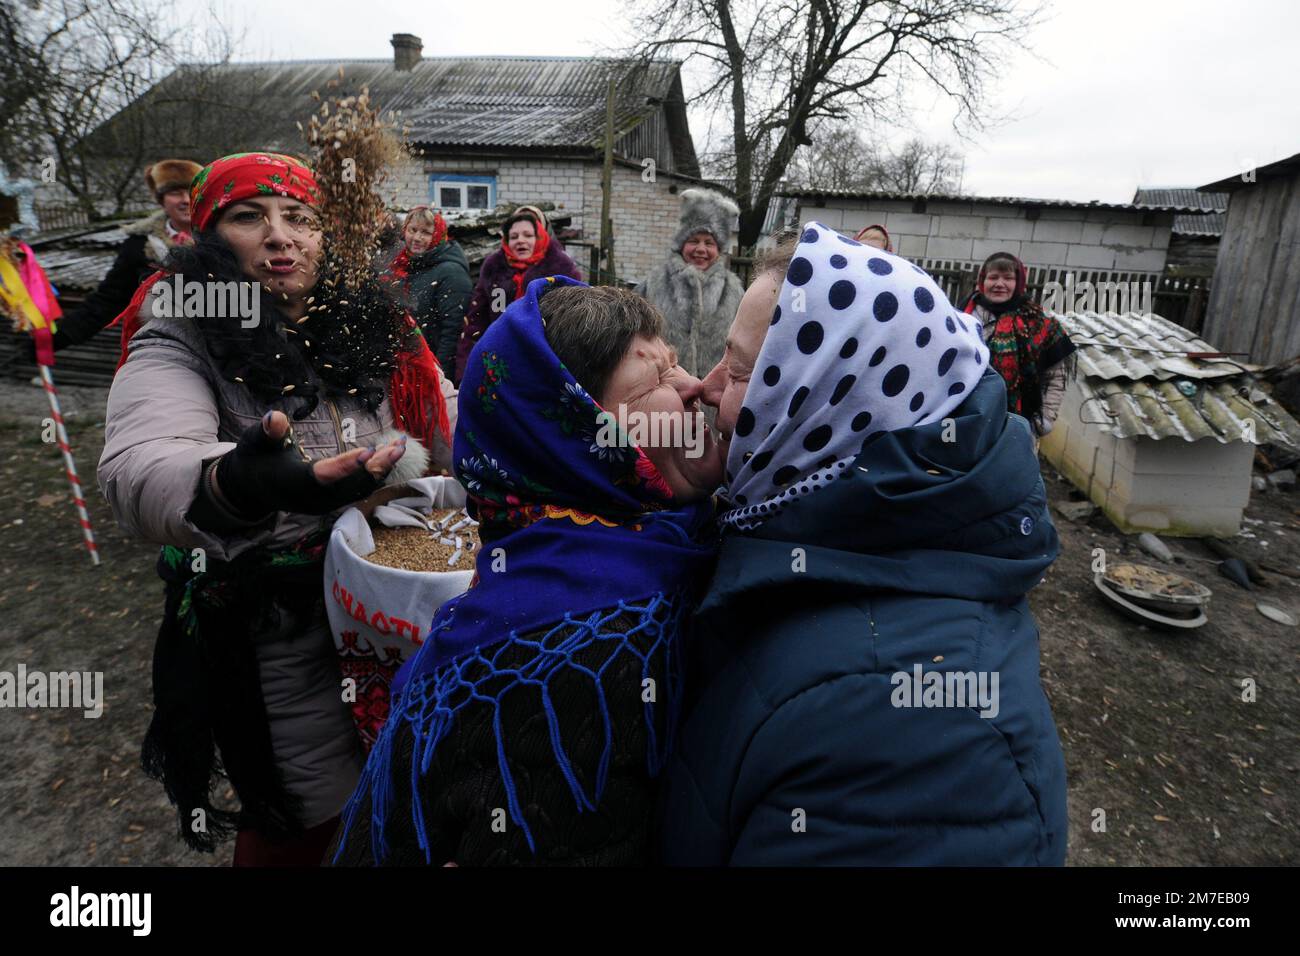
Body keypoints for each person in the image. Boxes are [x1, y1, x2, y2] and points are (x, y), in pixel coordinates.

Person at [657, 223, 1068, 866]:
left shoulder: (906, 723)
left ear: (824, 405)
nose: (707, 389)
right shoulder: (821, 540)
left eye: (738, 371)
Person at [98, 151, 456, 866]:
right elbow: (141, 461)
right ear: (207, 235)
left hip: (387, 616)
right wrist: (237, 482)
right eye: (247, 217)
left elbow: (450, 413)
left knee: (407, 792)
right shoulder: (183, 327)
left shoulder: (373, 328)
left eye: (299, 218)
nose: (279, 235)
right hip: (278, 634)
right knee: (308, 821)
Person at [330, 277, 722, 866]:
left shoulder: (669, 541)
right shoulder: (566, 653)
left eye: (675, 364)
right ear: (580, 436)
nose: (697, 386)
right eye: (655, 382)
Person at [32, 159, 202, 357]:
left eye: (191, 192)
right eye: (175, 193)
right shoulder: (141, 245)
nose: (185, 200)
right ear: (160, 200)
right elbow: (109, 299)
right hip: (163, 348)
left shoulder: (226, 238)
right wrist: (54, 340)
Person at [453, 205, 582, 384]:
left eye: (528, 235)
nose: (520, 241)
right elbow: (476, 322)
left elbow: (577, 322)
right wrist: (465, 372)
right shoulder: (493, 268)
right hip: (499, 363)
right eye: (514, 237)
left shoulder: (562, 269)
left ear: (541, 236)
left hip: (546, 365)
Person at [962, 251, 1076, 438]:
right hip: (967, 422)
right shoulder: (961, 318)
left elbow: (1056, 377)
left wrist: (1045, 419)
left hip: (1019, 425)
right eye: (993, 277)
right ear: (983, 281)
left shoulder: (1039, 324)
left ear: (1019, 283)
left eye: (1008, 278)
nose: (1000, 284)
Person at [636, 188, 744, 378]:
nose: (701, 249)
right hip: (662, 390)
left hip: (714, 397)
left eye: (709, 243)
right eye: (694, 240)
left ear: (719, 250)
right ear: (681, 244)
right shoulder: (654, 284)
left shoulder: (734, 291)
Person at [381, 206, 471, 374]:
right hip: (404, 365)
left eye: (426, 232)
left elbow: (452, 332)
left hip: (432, 368)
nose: (417, 238)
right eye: (412, 230)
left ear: (437, 235)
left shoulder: (451, 272)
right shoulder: (401, 265)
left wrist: (440, 374)